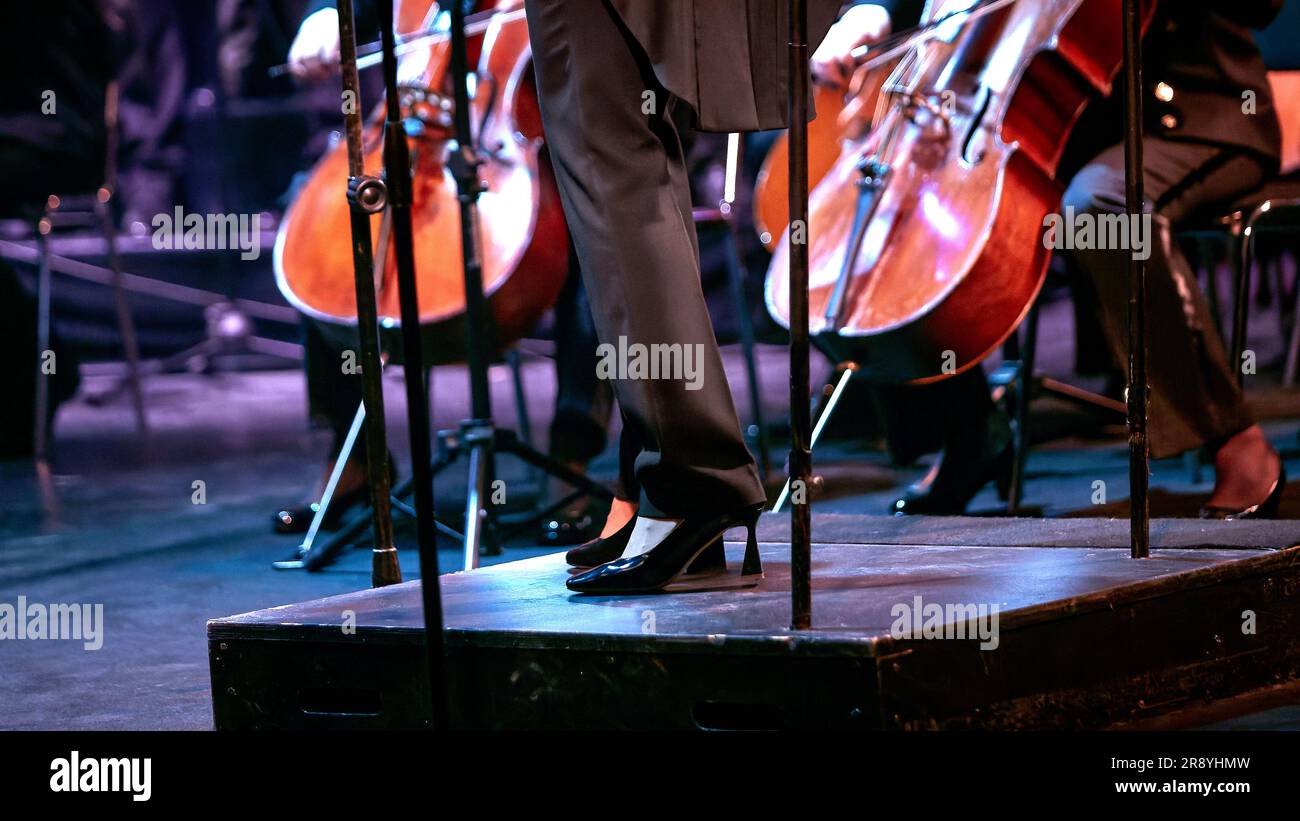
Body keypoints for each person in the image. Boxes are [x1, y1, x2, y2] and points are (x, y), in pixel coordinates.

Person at [823, 0, 1288, 520]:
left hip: (1193, 119)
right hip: (1039, 118)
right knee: (903, 221)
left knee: (1100, 210)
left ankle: (1233, 439)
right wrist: (868, 11)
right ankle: (969, 430)